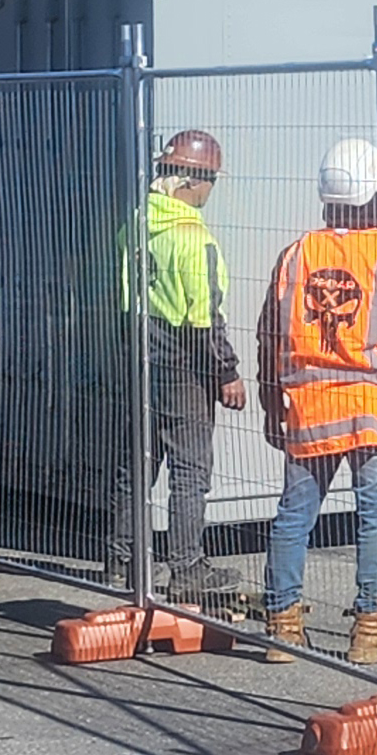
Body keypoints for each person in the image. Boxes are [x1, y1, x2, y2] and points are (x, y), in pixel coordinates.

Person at [256, 137, 377, 666]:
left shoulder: (295, 254)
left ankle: (283, 626)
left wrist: (271, 399)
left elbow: (269, 333)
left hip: (309, 407)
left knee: (294, 516)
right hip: (372, 408)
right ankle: (370, 629)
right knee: (375, 517)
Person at [104, 128, 249, 604]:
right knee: (190, 472)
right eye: (210, 181)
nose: (211, 191)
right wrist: (227, 372)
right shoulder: (192, 237)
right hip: (184, 366)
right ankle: (187, 568)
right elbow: (204, 318)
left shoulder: (138, 222)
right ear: (192, 180)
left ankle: (120, 561)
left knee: (138, 465)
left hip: (140, 356)